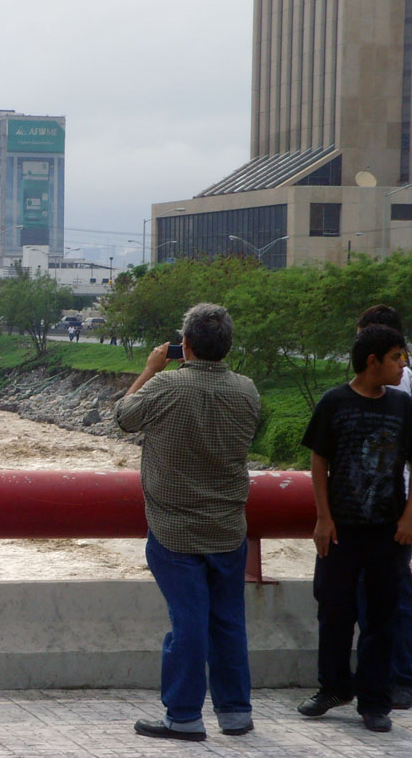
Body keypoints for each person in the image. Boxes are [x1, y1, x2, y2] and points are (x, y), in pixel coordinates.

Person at [115, 303, 261, 741]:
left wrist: (149, 369)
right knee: (228, 621)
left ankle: (183, 716)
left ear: (187, 344)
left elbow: (124, 417)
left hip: (174, 530)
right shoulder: (247, 390)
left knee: (189, 623)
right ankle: (235, 713)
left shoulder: (166, 386)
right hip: (228, 527)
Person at [298, 324, 412, 732]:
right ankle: (333, 687)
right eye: (396, 357)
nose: (402, 366)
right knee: (334, 611)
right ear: (372, 361)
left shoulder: (402, 405)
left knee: (382, 618)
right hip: (341, 529)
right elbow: (318, 460)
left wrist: (410, 515)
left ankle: (375, 701)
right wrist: (323, 517)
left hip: (389, 530)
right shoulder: (334, 402)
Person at [354, 306, 412, 709]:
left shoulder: (397, 383)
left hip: (392, 503)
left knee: (393, 592)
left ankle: (401, 676)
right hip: (388, 501)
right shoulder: (403, 376)